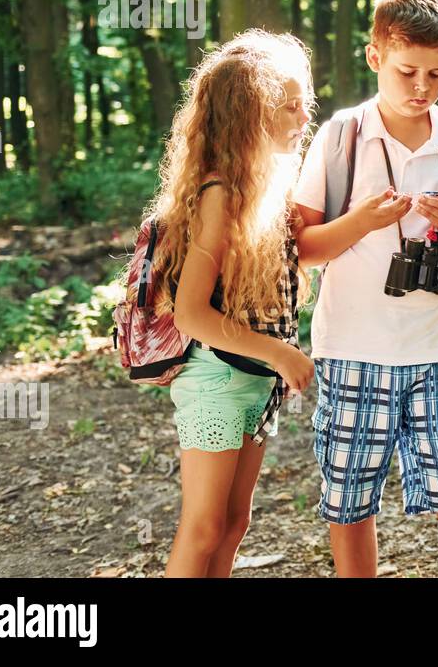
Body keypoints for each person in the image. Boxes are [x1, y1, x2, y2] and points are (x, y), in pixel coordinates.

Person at [295, 0, 438, 577]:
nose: (421, 89)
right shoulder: (340, 137)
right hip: (352, 351)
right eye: (407, 71)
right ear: (375, 56)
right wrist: (362, 221)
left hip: (437, 353)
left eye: (435, 75)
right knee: (351, 508)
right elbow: (303, 249)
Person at [159, 30, 317, 577]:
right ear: (251, 112)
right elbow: (191, 314)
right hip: (216, 381)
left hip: (252, 381)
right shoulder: (218, 193)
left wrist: (366, 221)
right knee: (203, 527)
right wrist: (282, 354)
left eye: (306, 104)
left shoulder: (264, 189)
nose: (303, 117)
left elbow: (301, 257)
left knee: (233, 523)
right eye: (290, 105)